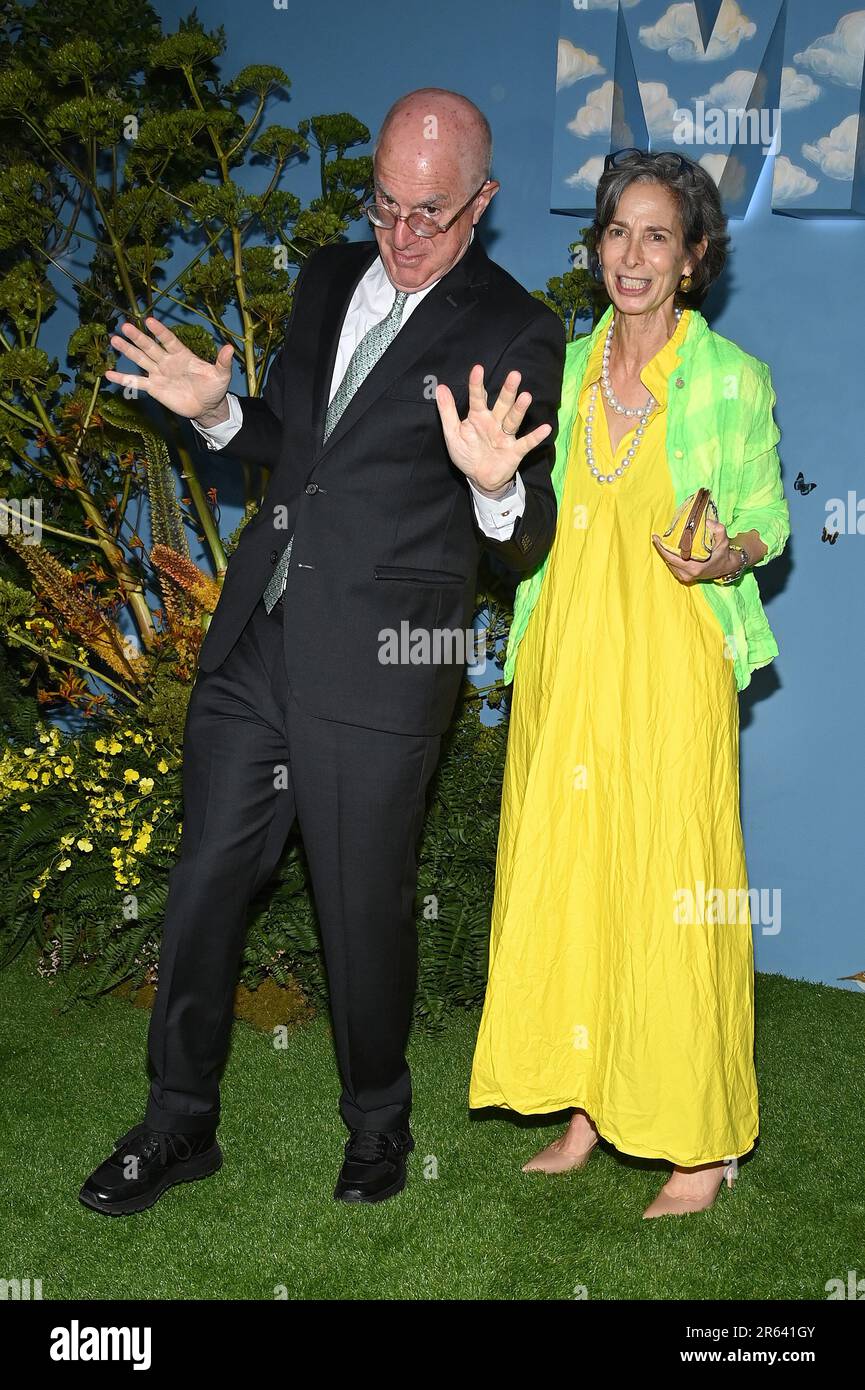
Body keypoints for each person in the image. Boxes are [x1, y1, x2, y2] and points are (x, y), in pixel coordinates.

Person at [78, 88, 565, 1213]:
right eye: (383, 205)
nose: (398, 237)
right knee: (205, 881)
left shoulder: (513, 327)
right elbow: (297, 445)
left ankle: (379, 1119)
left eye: (428, 215)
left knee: (363, 906)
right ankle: (176, 1125)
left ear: (482, 203)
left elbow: (527, 530)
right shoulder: (326, 276)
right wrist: (215, 414)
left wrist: (497, 490)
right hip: (263, 636)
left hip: (389, 662)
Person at [468, 148, 790, 1218]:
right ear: (595, 246)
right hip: (565, 653)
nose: (633, 255)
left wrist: (727, 553)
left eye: (659, 236)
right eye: (616, 232)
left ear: (694, 259)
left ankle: (699, 1141)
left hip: (670, 661)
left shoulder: (731, 380)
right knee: (572, 878)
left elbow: (767, 518)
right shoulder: (556, 365)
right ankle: (587, 1105)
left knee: (669, 887)